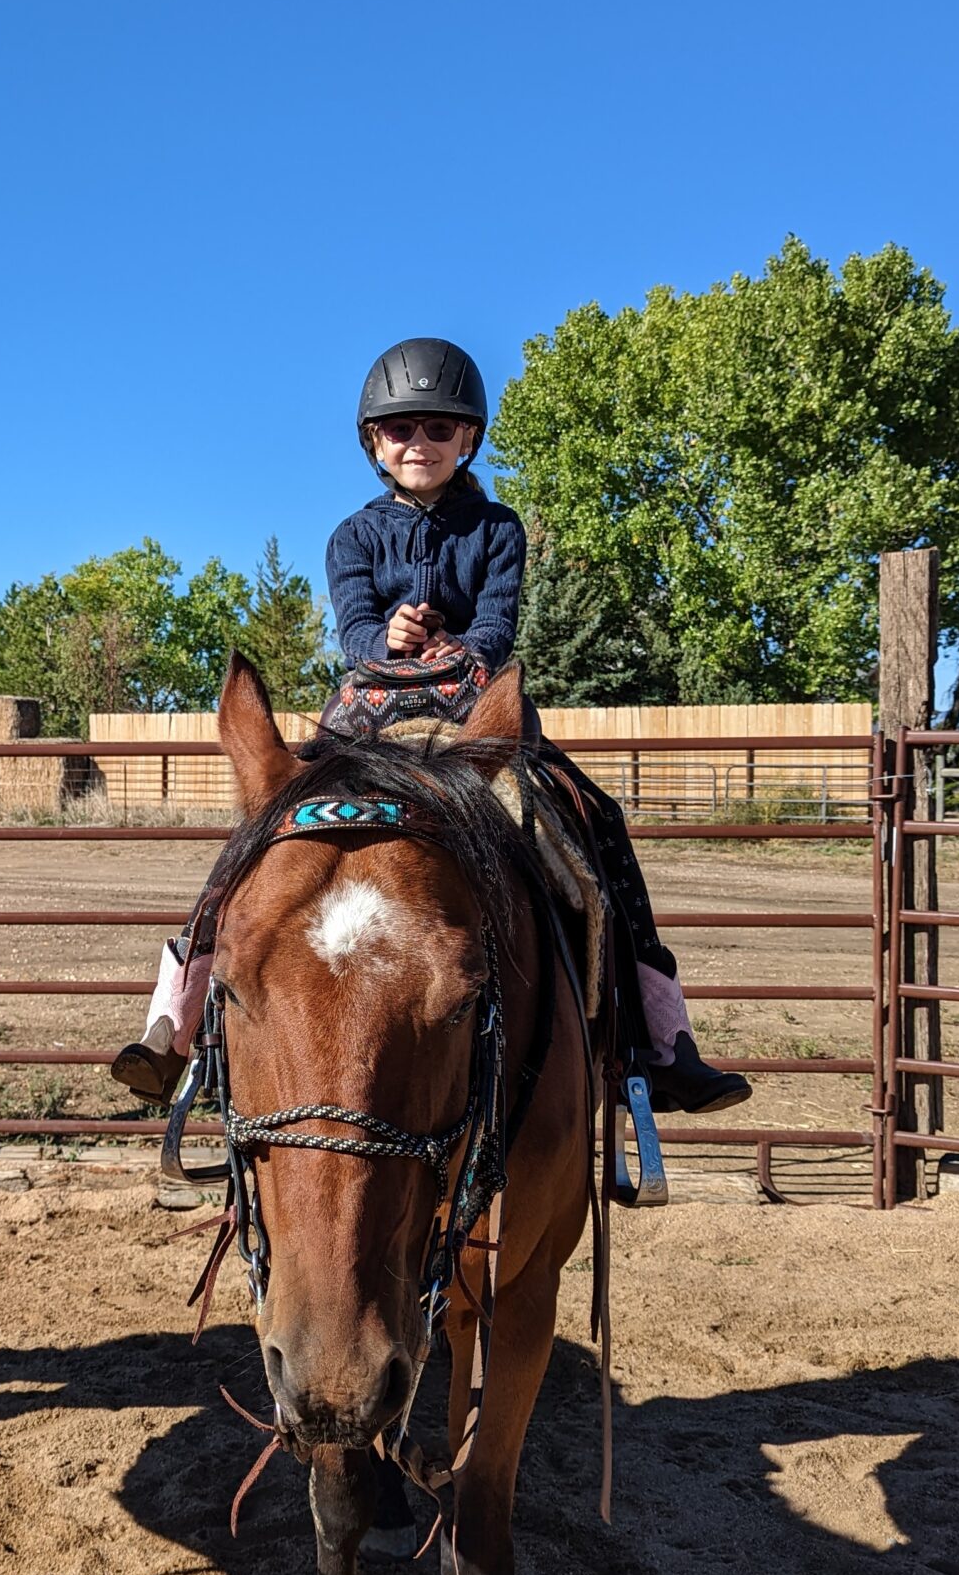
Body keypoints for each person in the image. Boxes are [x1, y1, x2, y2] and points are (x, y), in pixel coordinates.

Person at [109, 338, 750, 1117]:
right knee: (268, 824)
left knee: (595, 818)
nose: (420, 444)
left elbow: (499, 623)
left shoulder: (499, 528)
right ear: (374, 442)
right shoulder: (352, 536)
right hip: (372, 706)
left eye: (439, 430)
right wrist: (389, 641)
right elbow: (352, 629)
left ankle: (658, 1037)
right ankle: (176, 1017)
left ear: (469, 439)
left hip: (474, 701)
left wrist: (459, 647)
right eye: (401, 429)